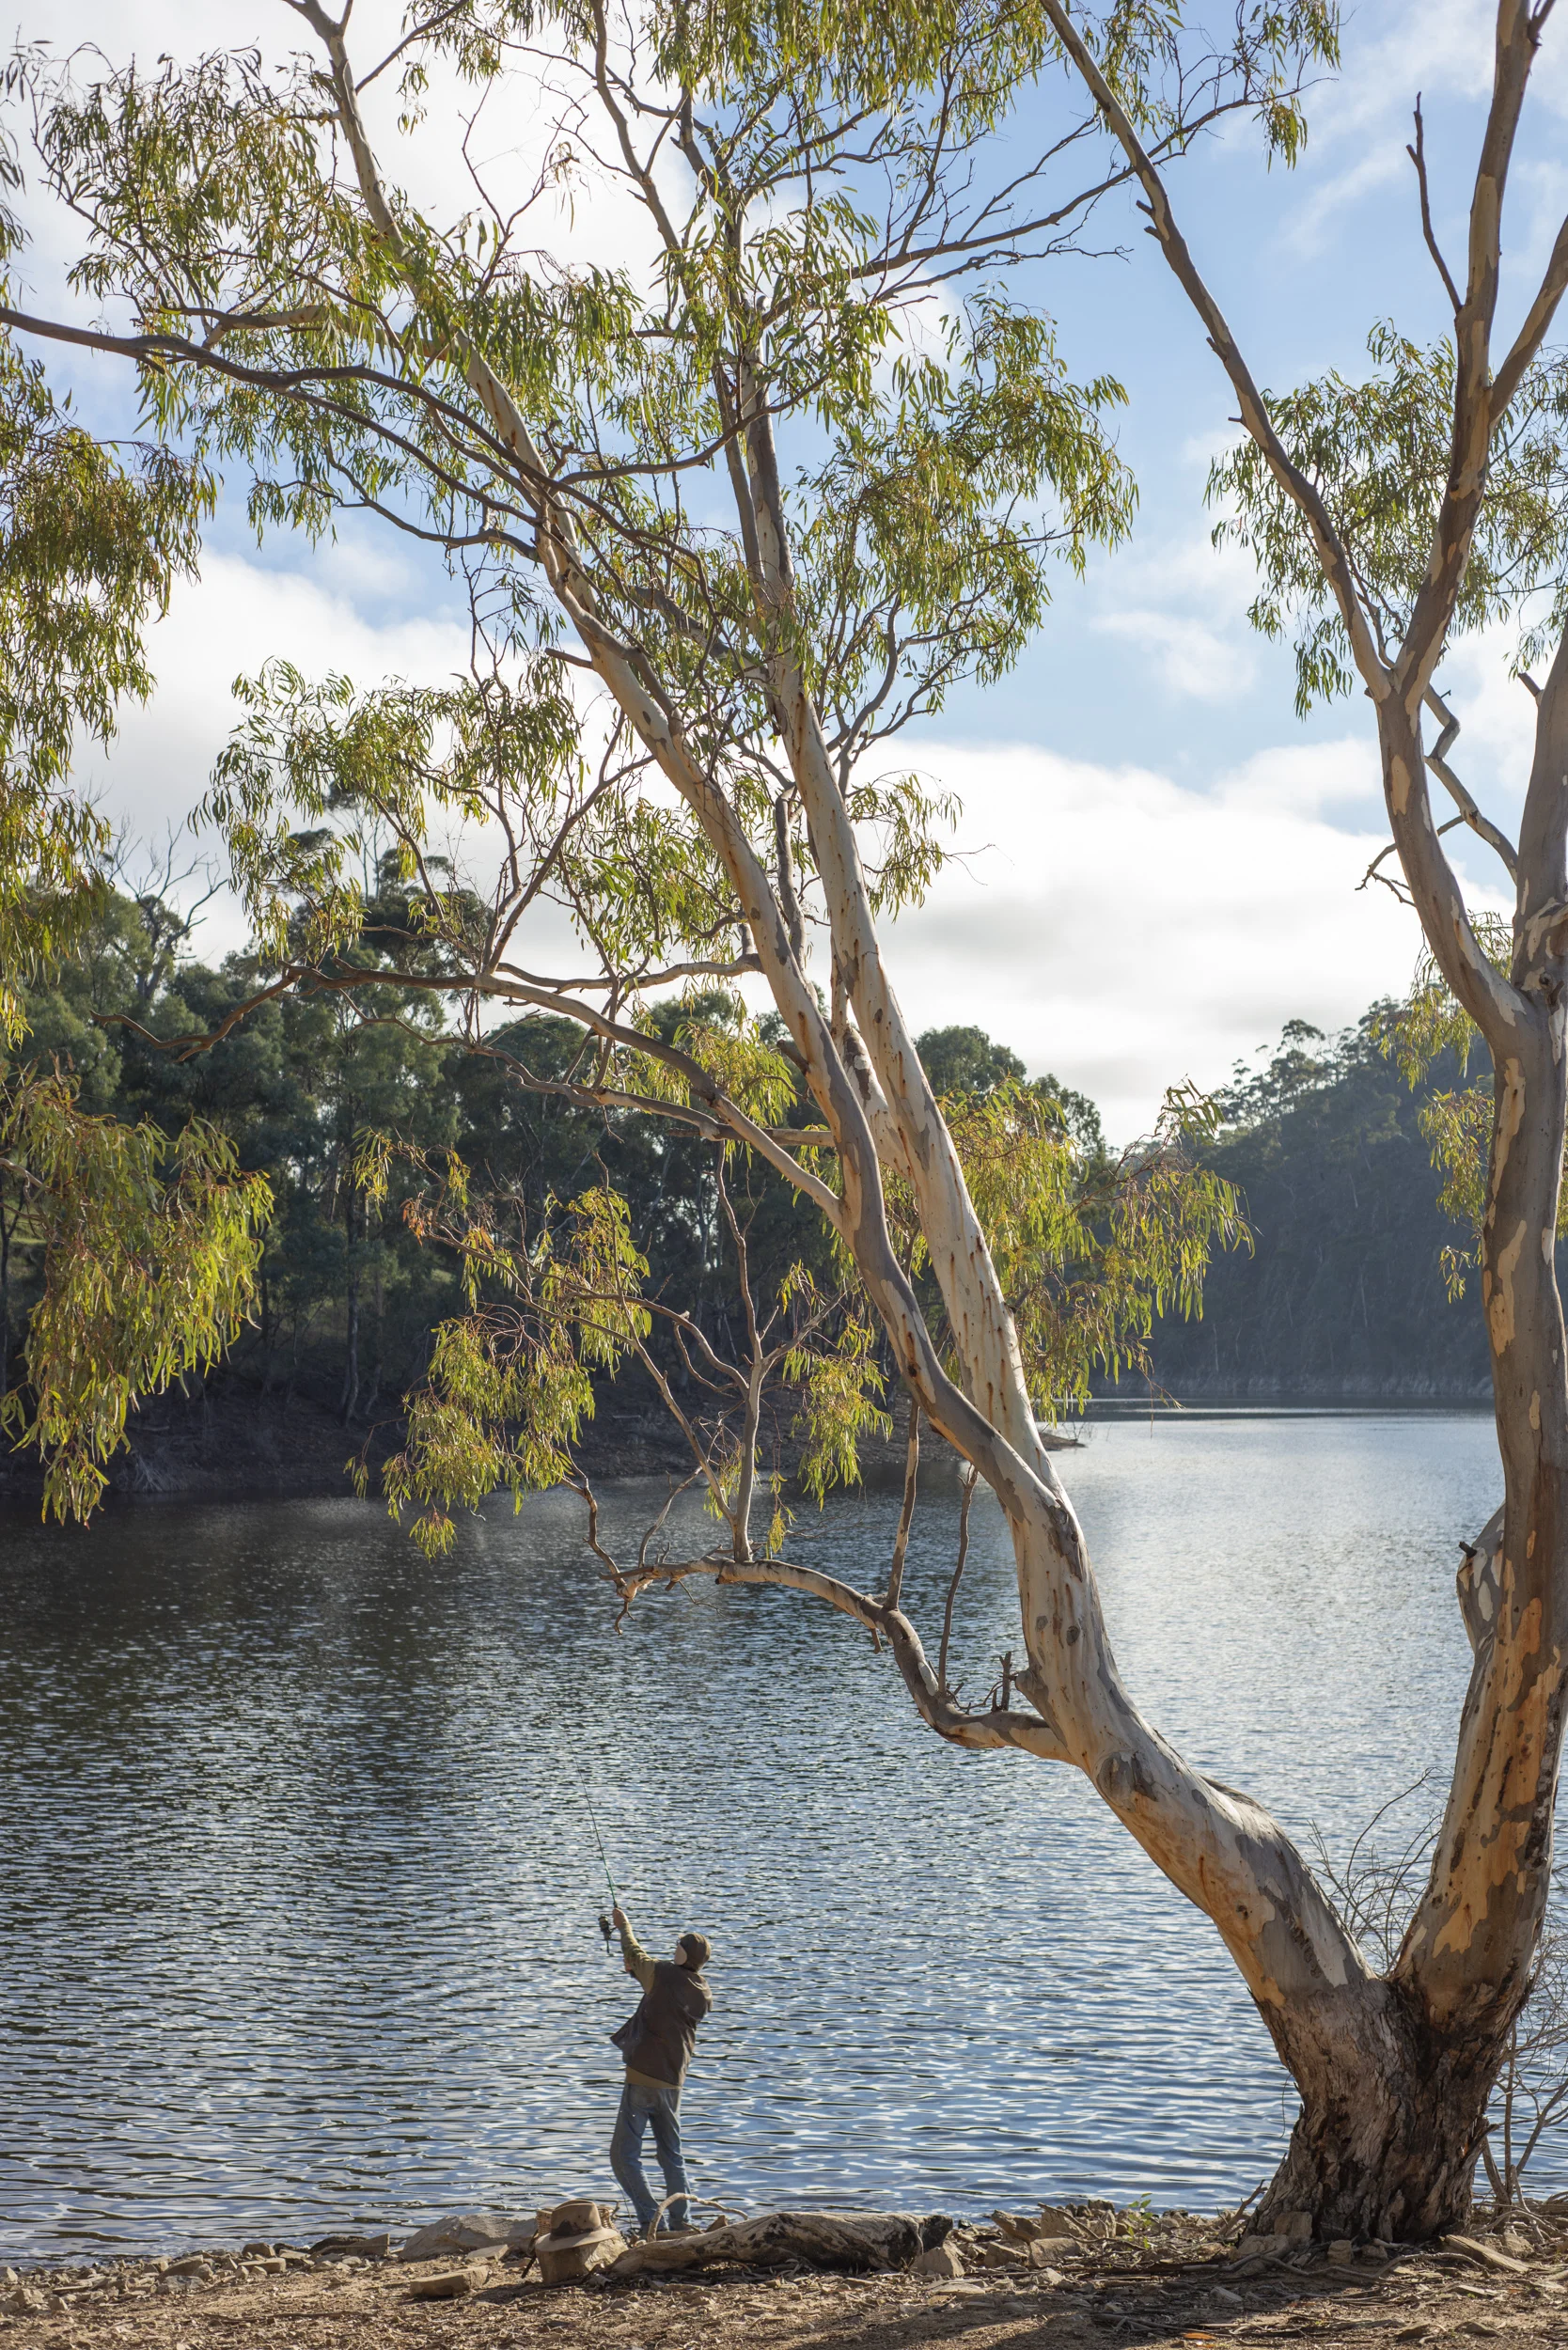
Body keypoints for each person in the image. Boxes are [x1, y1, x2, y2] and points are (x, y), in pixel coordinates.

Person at [607, 1902, 713, 2240]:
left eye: (678, 1945)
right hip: (673, 2080)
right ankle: (682, 2223)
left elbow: (635, 1953)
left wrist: (624, 1926)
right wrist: (638, 1974)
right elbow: (655, 1985)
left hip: (644, 2078)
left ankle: (651, 2221)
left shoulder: (663, 1974)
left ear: (683, 1955)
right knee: (671, 2155)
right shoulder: (702, 1989)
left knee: (623, 2157)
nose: (674, 1948)